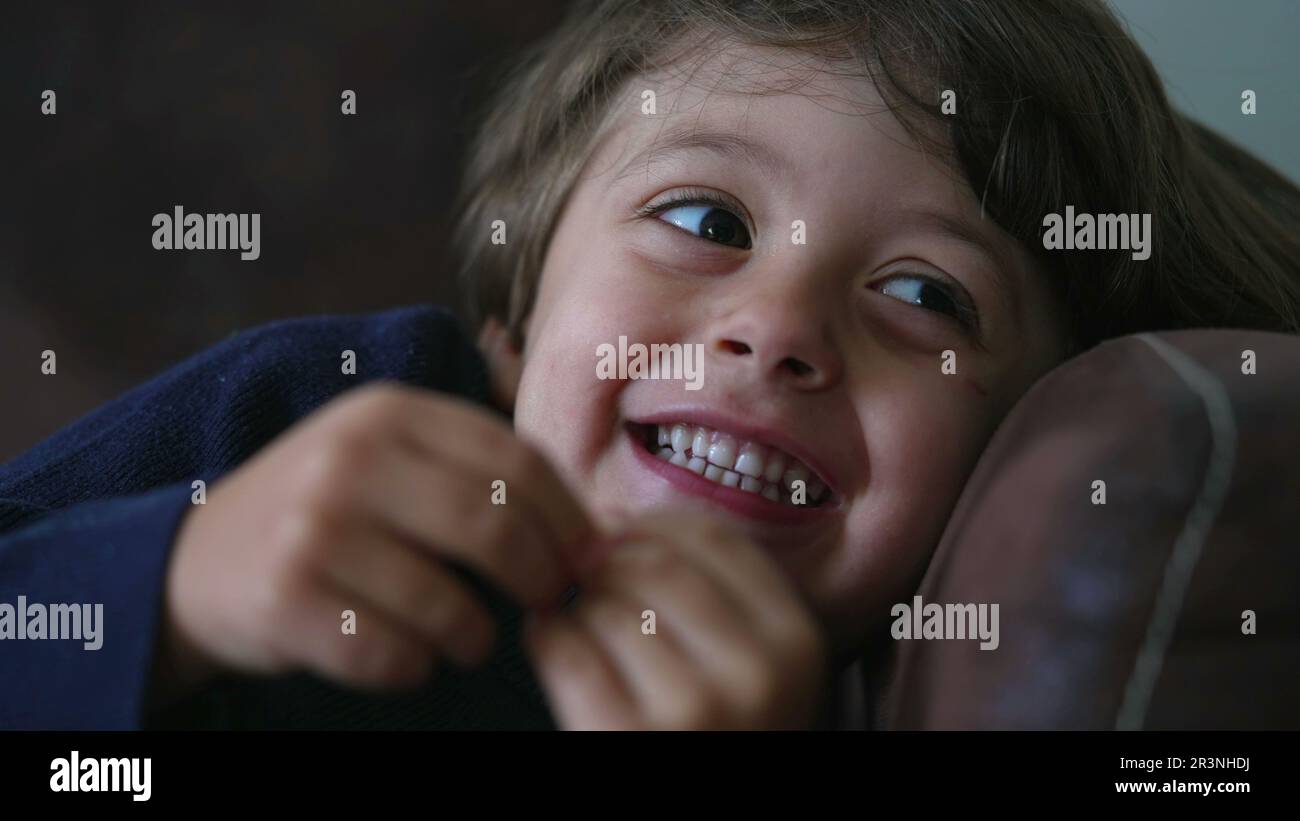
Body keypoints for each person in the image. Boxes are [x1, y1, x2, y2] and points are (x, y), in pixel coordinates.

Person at [3, 0, 1298, 729]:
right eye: (704, 221)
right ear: (513, 329)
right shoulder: (318, 415)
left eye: (924, 295)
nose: (776, 326)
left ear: (995, 467)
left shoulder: (898, 693)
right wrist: (170, 590)